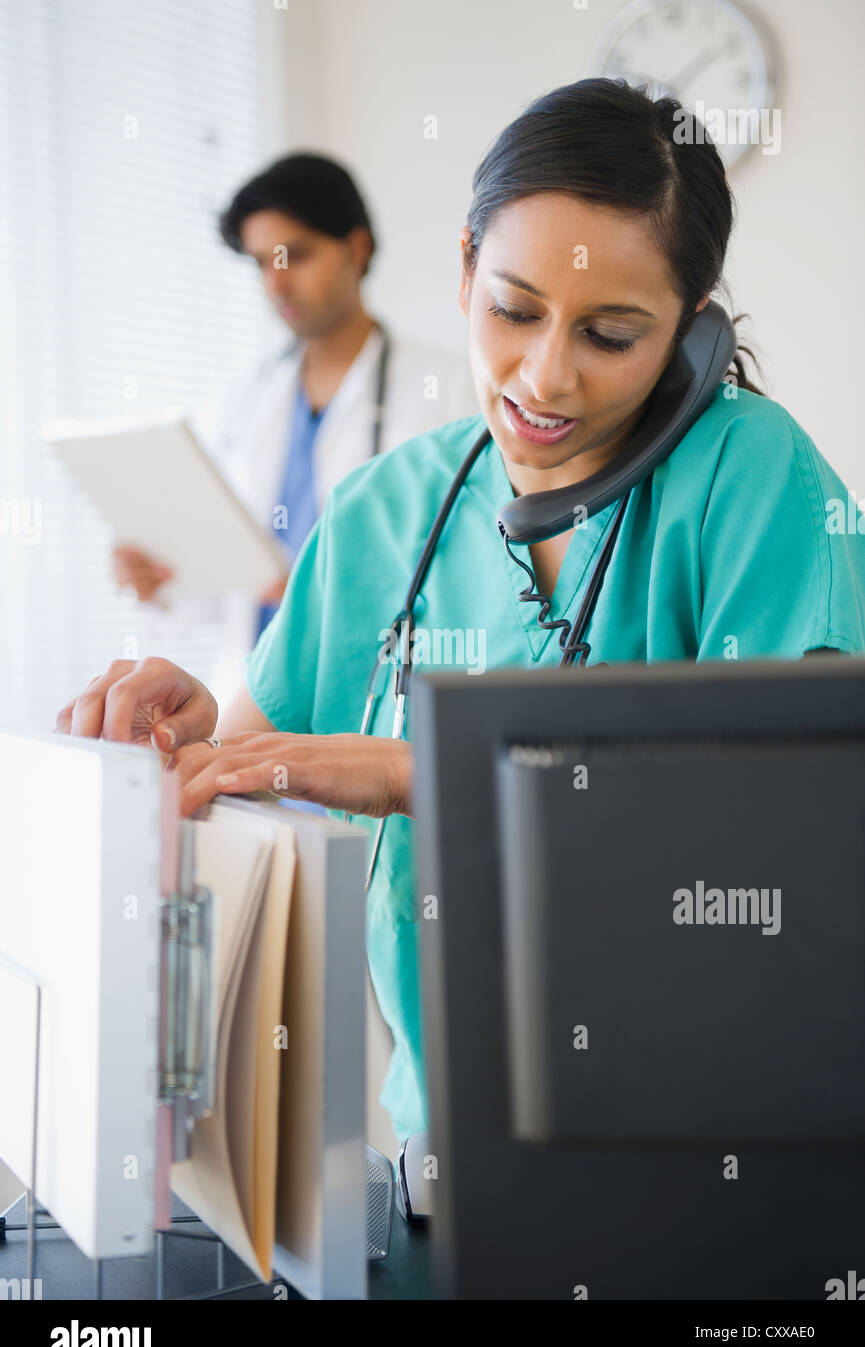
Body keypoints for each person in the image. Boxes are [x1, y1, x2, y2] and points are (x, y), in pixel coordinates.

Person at [57, 79, 865, 1146]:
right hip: (447, 1146)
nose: (544, 376)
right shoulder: (388, 507)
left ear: (689, 331)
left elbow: (792, 844)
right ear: (464, 267)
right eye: (514, 309)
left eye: (611, 334)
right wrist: (188, 732)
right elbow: (246, 767)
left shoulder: (753, 476)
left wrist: (421, 773)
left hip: (724, 1135)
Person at [113, 152, 477, 667]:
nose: (275, 284)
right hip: (254, 694)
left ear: (356, 249)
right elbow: (223, 586)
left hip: (373, 686)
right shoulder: (240, 402)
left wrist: (333, 590)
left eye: (294, 256)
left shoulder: (450, 390)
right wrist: (161, 577)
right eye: (261, 262)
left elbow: (472, 572)